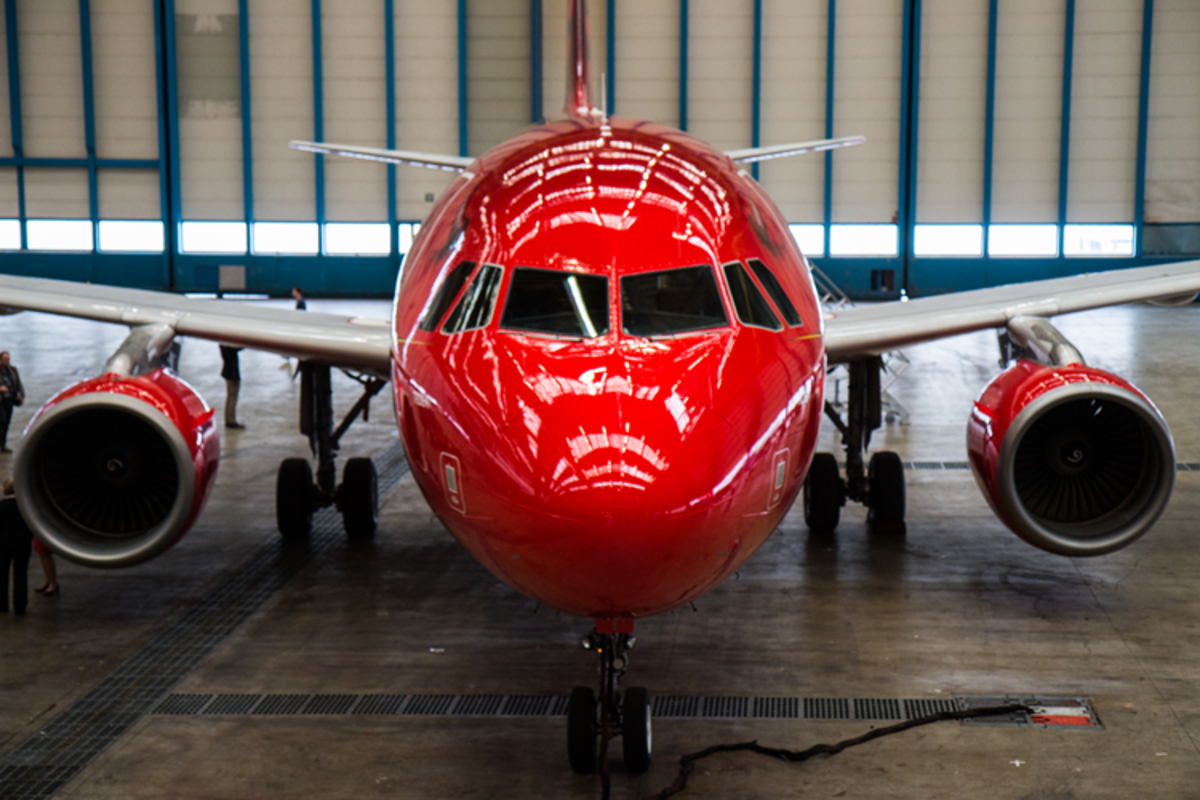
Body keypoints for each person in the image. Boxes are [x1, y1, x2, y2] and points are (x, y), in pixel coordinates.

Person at [0, 478, 33, 614]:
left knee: (2, 574)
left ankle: (2, 605)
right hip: (22, 543)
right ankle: (20, 606)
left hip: (3, 544)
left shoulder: (1, 506)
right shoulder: (25, 507)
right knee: (21, 573)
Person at [0, 351, 25, 453]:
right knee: (2, 421)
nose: (7, 361)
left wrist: (21, 396)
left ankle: (3, 445)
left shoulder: (13, 370)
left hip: (10, 399)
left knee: (6, 423)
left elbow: (19, 384)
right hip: (0, 400)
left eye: (8, 359)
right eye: (5, 359)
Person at [220, 345, 245, 430]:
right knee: (232, 397)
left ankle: (229, 419)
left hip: (229, 372)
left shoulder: (222, 345)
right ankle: (231, 421)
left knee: (230, 396)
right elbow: (236, 348)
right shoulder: (228, 346)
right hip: (232, 374)